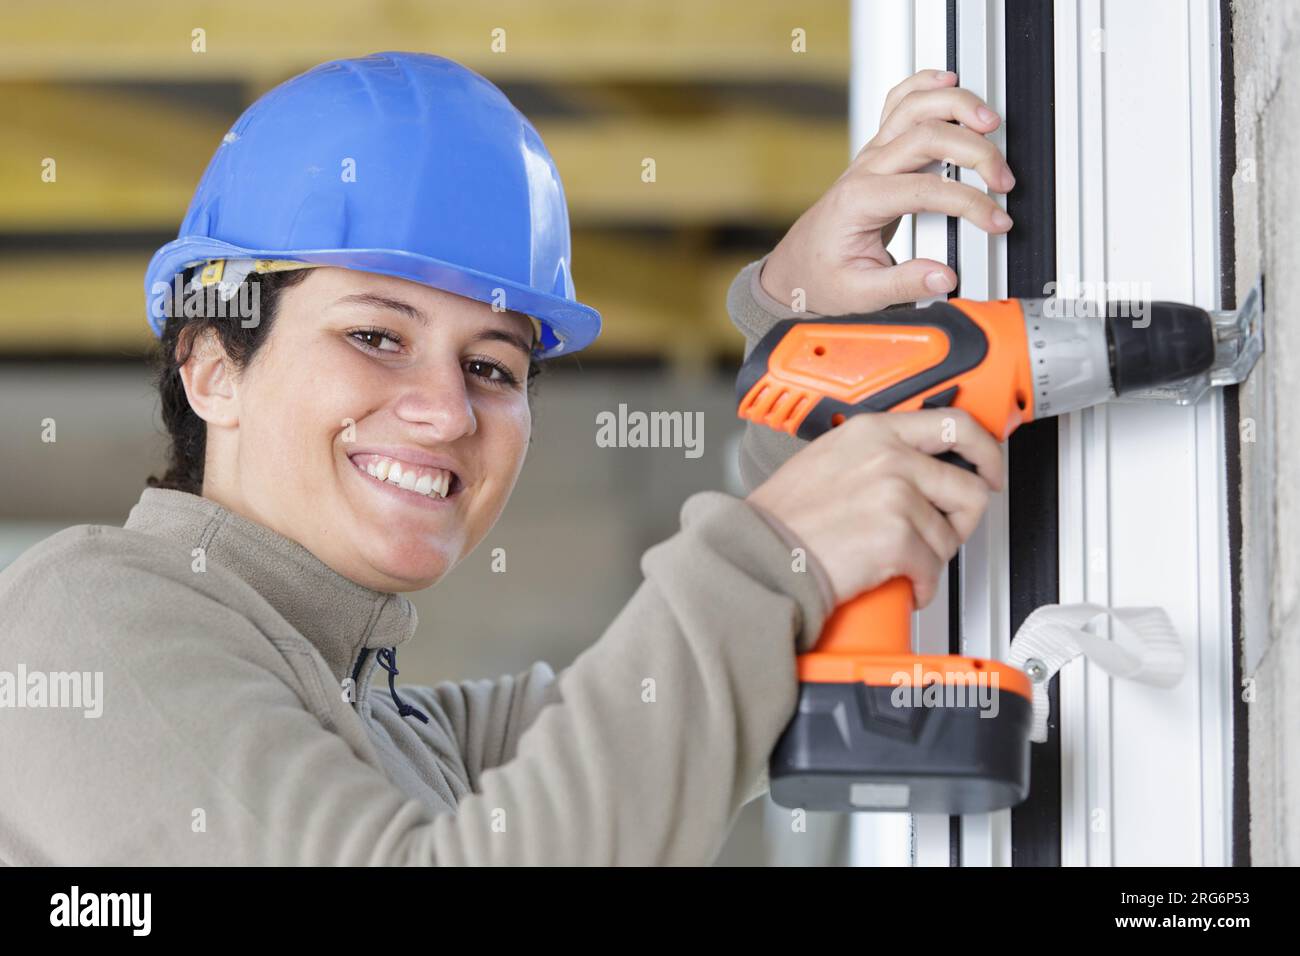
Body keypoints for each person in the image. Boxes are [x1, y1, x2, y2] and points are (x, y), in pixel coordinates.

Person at [0, 55, 1011, 865]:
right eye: (376, 336)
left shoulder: (392, 723)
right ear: (212, 364)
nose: (445, 411)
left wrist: (801, 331)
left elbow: (678, 707)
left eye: (490, 364)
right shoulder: (79, 621)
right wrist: (769, 547)